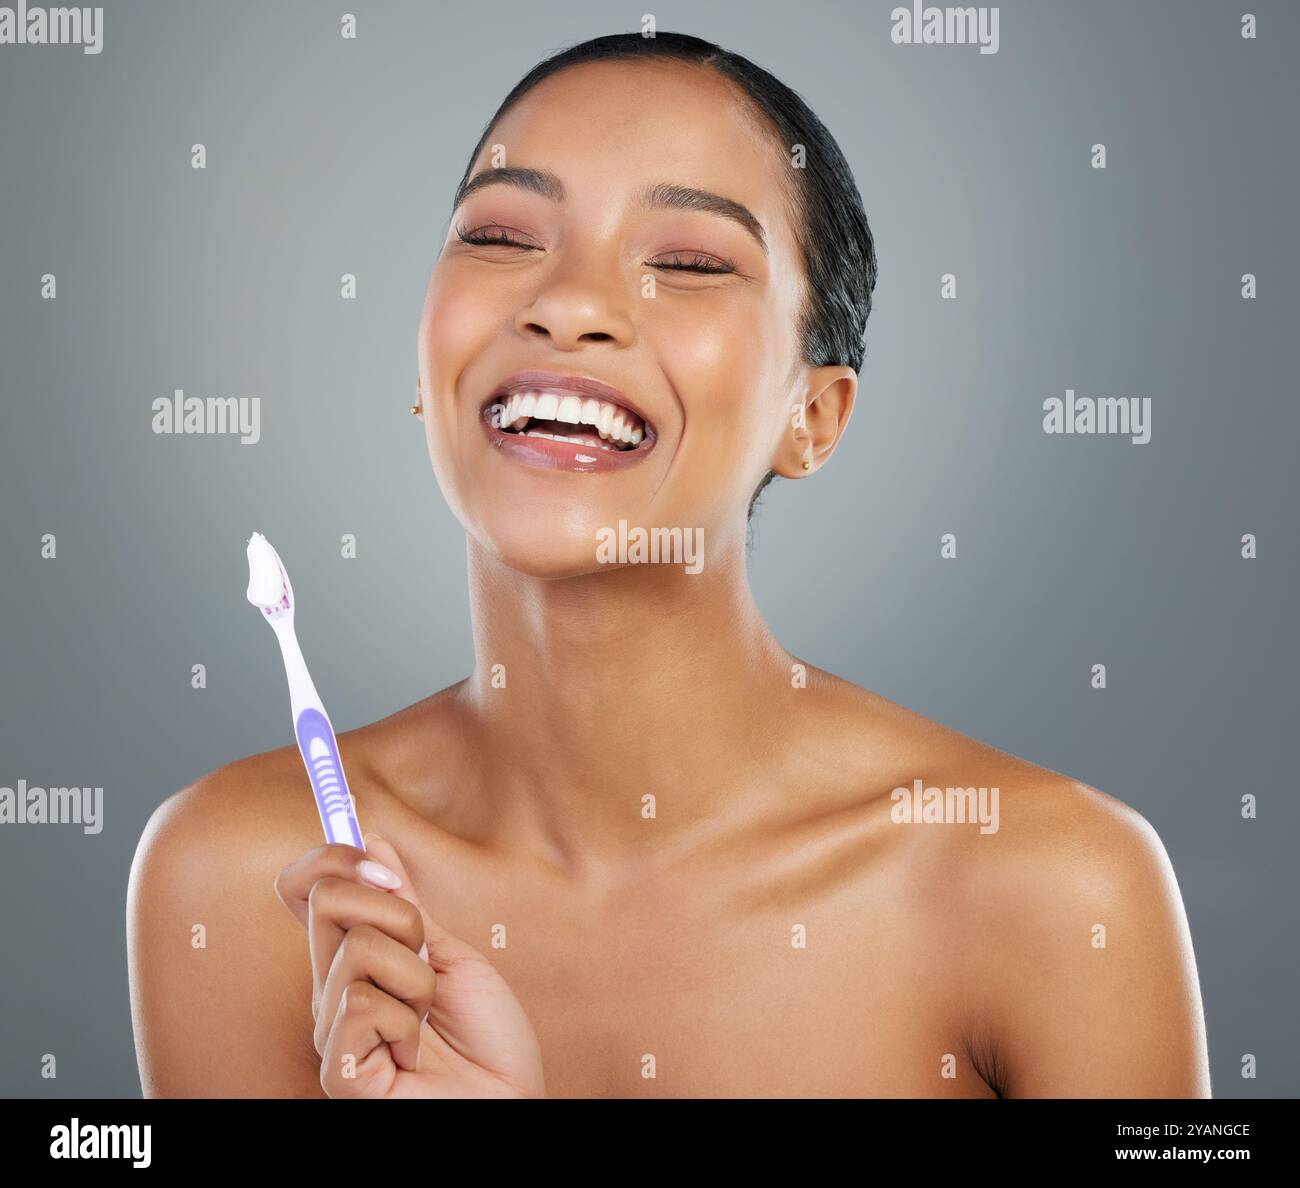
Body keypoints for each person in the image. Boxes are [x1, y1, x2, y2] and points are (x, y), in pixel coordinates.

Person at [128, 31, 1210, 1098]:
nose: (569, 304)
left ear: (813, 417)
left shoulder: (1053, 887)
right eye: (502, 238)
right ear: (424, 367)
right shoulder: (244, 878)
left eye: (688, 262)